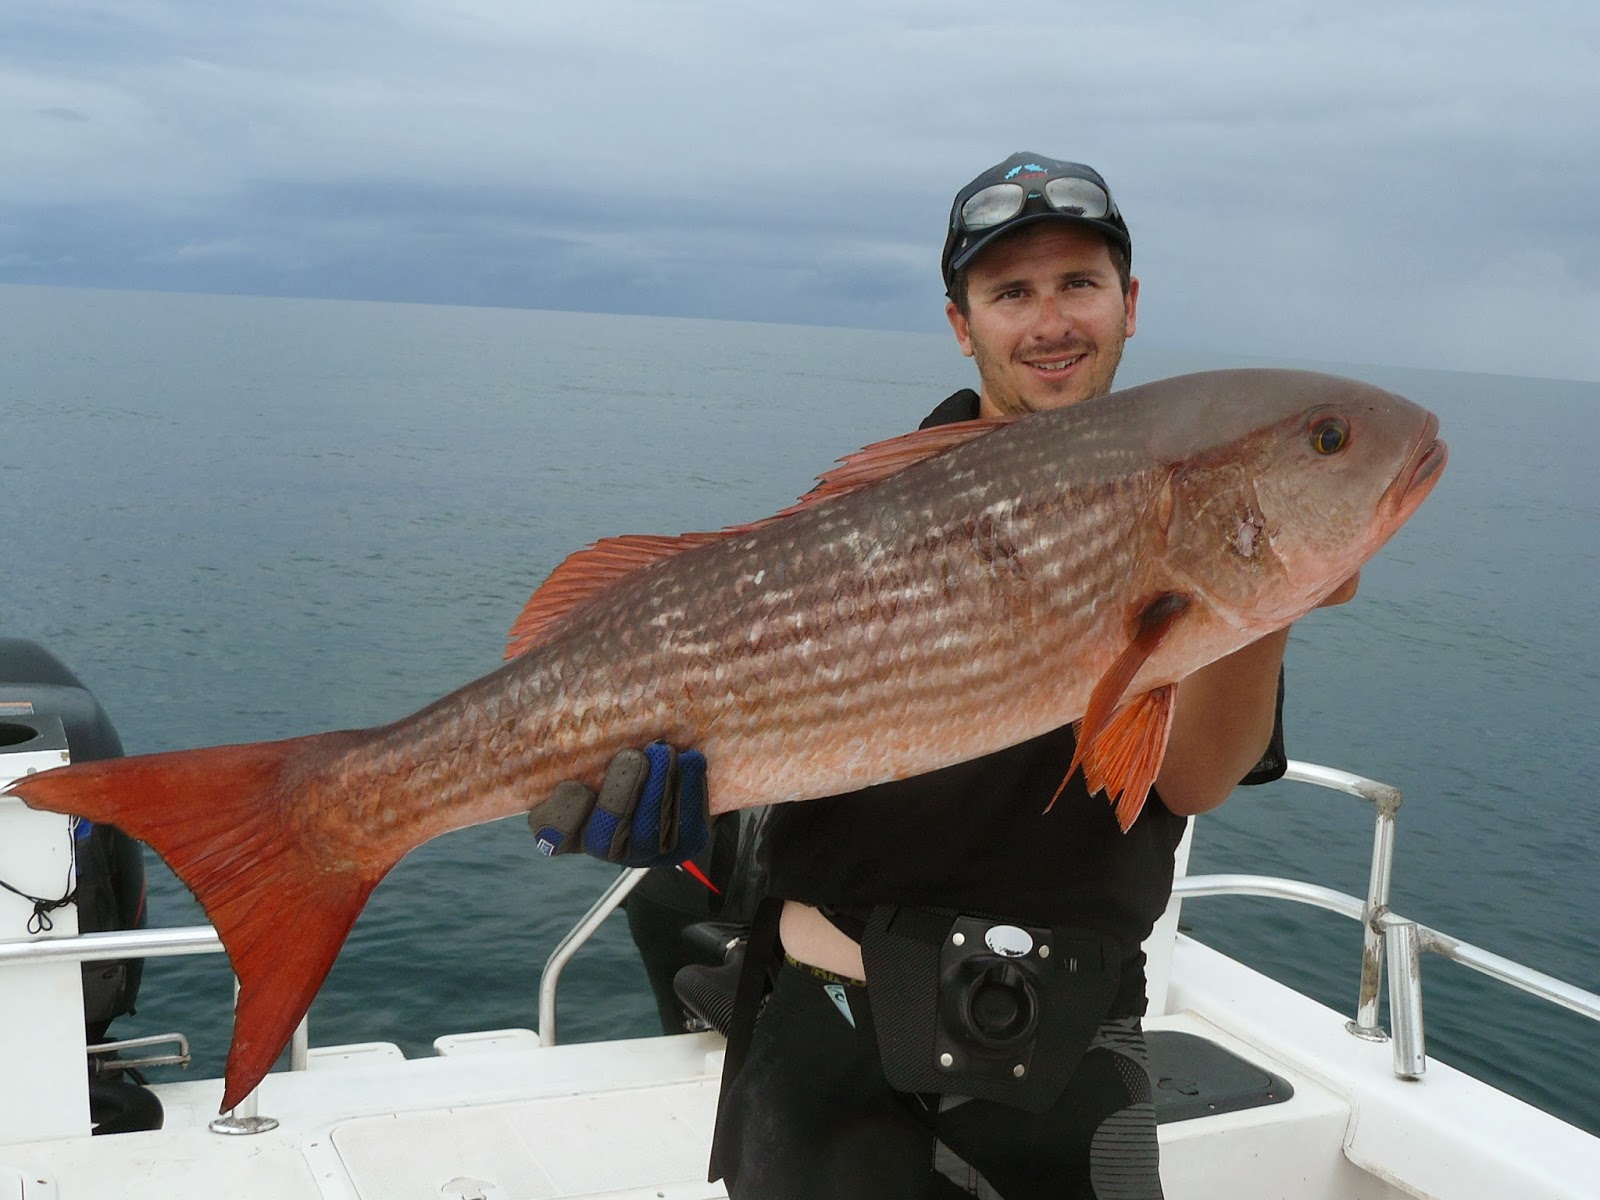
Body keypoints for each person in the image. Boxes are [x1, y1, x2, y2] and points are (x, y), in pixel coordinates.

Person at [538, 152, 1358, 1198]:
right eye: (1010, 292)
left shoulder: (1185, 493)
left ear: (1128, 303)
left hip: (1069, 1044)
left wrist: (1264, 603)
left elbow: (1187, 783)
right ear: (960, 324)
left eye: (1077, 284)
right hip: (826, 1032)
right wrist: (654, 805)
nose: (1050, 320)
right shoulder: (875, 506)